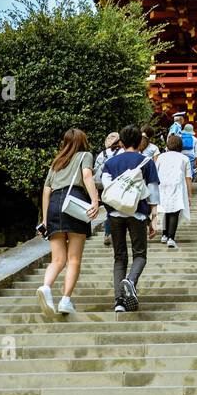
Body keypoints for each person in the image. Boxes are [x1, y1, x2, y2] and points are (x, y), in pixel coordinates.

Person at [38, 128, 101, 317]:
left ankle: (46, 287)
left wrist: (45, 218)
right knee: (73, 259)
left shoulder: (56, 162)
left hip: (55, 206)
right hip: (74, 203)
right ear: (82, 141)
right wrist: (95, 201)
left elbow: (46, 190)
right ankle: (65, 300)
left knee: (57, 259)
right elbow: (87, 175)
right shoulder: (85, 156)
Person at [101, 124, 159, 311]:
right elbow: (153, 192)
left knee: (119, 257)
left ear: (122, 142)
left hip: (115, 214)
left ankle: (119, 301)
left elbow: (106, 189)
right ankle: (131, 282)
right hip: (138, 213)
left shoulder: (110, 163)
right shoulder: (147, 161)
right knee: (140, 255)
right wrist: (154, 217)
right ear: (139, 142)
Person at [156, 134, 192, 246]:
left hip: (162, 186)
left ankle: (164, 235)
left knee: (164, 210)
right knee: (174, 212)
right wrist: (190, 194)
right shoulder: (184, 158)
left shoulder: (161, 157)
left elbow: (156, 172)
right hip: (178, 186)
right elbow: (188, 177)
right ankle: (171, 237)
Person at [93, 131, 121, 247]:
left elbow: (95, 171)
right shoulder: (122, 152)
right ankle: (115, 234)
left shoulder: (101, 154)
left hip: (103, 187)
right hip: (116, 186)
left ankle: (108, 233)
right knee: (116, 211)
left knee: (110, 212)